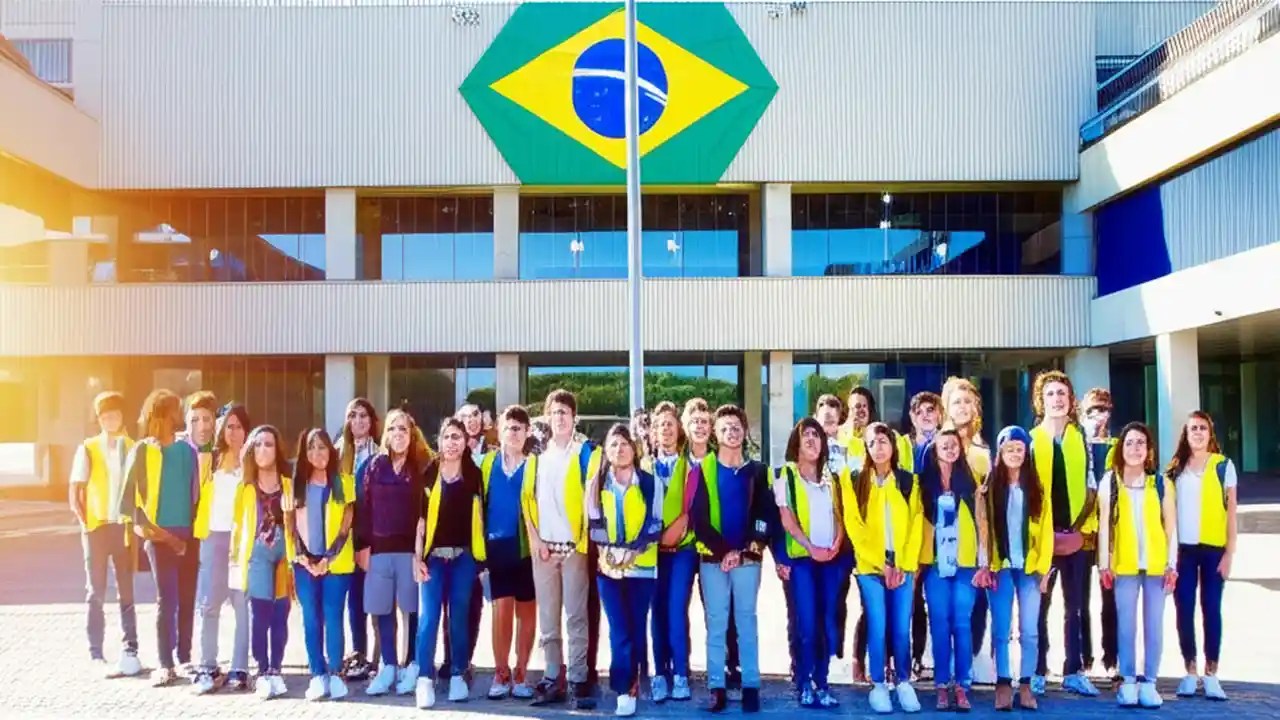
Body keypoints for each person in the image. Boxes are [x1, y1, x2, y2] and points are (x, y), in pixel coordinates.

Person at [522, 389, 602, 710]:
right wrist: (537, 542)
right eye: (554, 412)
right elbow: (527, 504)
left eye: (565, 413)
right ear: (547, 417)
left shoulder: (585, 455)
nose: (559, 418)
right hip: (544, 550)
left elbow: (592, 501)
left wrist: (581, 543)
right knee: (548, 619)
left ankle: (578, 679)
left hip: (573, 549)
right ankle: (552, 676)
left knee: (576, 617)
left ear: (574, 418)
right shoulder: (536, 459)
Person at [690, 405, 771, 713]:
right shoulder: (703, 469)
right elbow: (698, 518)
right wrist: (725, 553)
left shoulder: (758, 471)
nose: (731, 432)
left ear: (744, 430)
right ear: (715, 433)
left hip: (748, 560)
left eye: (736, 427)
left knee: (747, 621)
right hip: (713, 560)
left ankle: (751, 687)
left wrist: (748, 548)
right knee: (716, 623)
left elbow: (765, 514)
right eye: (725, 428)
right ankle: (716, 688)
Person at [120, 389, 201, 687]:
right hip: (157, 538)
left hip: (189, 536)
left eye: (168, 414)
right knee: (167, 599)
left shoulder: (187, 451)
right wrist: (168, 539)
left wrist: (188, 538)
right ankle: (165, 664)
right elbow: (132, 508)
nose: (165, 420)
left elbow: (195, 498)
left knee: (187, 597)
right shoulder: (141, 451)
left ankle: (185, 658)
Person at [842, 422, 923, 714]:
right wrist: (882, 564)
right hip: (870, 568)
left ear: (893, 446)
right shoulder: (854, 481)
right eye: (873, 442)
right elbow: (855, 527)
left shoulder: (908, 481)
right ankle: (878, 683)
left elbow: (916, 527)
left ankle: (903, 681)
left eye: (884, 441)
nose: (879, 447)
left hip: (903, 567)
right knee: (877, 625)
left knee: (901, 627)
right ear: (865, 447)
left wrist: (901, 565)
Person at [1030, 370, 1100, 697]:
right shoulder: (1030, 440)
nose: (1057, 399)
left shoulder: (1081, 439)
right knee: (1038, 607)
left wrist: (1082, 533)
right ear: (1040, 401)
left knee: (1075, 607)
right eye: (1050, 394)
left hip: (1075, 538)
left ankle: (1074, 670)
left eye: (1062, 393)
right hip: (1042, 540)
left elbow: (1091, 488)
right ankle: (1037, 669)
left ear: (1071, 400)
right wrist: (1040, 537)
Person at [1098, 422, 1177, 708]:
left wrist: (1172, 564)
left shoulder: (1161, 483)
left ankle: (1150, 681)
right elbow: (1105, 526)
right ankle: (1128, 679)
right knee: (1126, 625)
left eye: (1140, 443)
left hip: (1156, 566)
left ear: (1149, 449)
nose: (1134, 448)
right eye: (1129, 443)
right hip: (1124, 565)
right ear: (1121, 448)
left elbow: (1171, 528)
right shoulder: (1110, 482)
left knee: (1154, 625)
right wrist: (1104, 564)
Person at [587, 423, 664, 717]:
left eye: (624, 444)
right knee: (618, 629)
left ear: (634, 448)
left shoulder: (649, 482)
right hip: (608, 569)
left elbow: (656, 523)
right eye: (614, 445)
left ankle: (634, 681)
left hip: (642, 568)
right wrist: (609, 550)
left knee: (635, 627)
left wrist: (635, 549)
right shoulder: (597, 482)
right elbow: (593, 523)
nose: (619, 450)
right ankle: (623, 688)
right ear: (607, 450)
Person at [777, 417, 851, 709]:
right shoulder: (786, 475)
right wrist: (811, 548)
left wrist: (835, 545)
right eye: (806, 435)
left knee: (826, 623)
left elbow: (840, 516)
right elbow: (787, 519)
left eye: (816, 435)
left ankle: (823, 682)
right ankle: (804, 682)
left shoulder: (831, 478)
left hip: (830, 561)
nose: (812, 440)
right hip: (803, 561)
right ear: (796, 443)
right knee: (806, 623)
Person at [358, 409, 432, 697]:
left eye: (403, 429)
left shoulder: (422, 467)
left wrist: (421, 551)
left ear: (411, 434)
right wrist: (362, 546)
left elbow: (426, 512)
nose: (398, 434)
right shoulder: (373, 466)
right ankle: (388, 666)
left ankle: (412, 664)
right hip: (379, 550)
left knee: (411, 610)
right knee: (381, 610)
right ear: (385, 434)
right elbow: (363, 508)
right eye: (392, 429)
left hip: (410, 552)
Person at [414, 418, 486, 708]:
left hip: (463, 559)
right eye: (447, 437)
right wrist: (417, 557)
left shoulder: (474, 475)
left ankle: (458, 673)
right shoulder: (429, 473)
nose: (452, 442)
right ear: (439, 441)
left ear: (466, 442)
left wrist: (481, 560)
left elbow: (481, 518)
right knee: (429, 618)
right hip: (433, 559)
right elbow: (419, 522)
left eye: (458, 437)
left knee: (459, 617)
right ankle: (424, 678)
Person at [979, 426, 1052, 711]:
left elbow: (1045, 533)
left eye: (1020, 449)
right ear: (1000, 452)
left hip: (1030, 567)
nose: (1014, 454)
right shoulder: (990, 487)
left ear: (1026, 452)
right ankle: (1003, 683)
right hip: (1001, 566)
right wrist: (987, 565)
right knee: (1001, 629)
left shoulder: (1037, 487)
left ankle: (1026, 684)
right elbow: (984, 530)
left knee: (1030, 630)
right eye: (1009, 449)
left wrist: (1044, 569)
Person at [70, 391, 141, 678]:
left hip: (123, 527)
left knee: (127, 590)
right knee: (95, 591)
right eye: (105, 415)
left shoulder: (133, 447)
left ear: (122, 417)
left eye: (115, 414)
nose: (111, 419)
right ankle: (95, 651)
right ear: (98, 419)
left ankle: (131, 646)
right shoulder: (88, 448)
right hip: (96, 528)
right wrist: (85, 523)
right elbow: (76, 489)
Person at [1168, 411, 1236, 701]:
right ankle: (1190, 669)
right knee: (1183, 607)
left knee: (1211, 608)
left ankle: (1211, 673)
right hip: (1183, 550)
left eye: (1202, 428)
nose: (1197, 432)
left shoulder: (1223, 466)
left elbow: (1231, 512)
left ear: (1210, 433)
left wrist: (1229, 553)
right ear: (1185, 433)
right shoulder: (1175, 470)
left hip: (1213, 549)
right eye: (1192, 428)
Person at [285, 428, 355, 701]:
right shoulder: (294, 485)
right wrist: (303, 556)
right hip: (304, 563)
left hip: (335, 564)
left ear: (331, 450)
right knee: (311, 618)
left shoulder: (344, 483)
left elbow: (346, 526)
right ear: (304, 453)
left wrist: (328, 559)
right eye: (311, 448)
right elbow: (289, 523)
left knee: (333, 616)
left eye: (322, 447)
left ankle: (336, 673)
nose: (317, 453)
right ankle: (318, 674)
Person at [917, 429, 981, 711]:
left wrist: (985, 561)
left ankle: (962, 686)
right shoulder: (923, 485)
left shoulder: (972, 482)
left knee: (962, 624)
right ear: (934, 450)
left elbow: (983, 524)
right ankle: (942, 685)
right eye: (944, 445)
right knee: (939, 624)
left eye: (954, 445)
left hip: (965, 563)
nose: (950, 449)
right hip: (934, 565)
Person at [480, 406, 539, 700]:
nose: (513, 433)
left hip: (526, 548)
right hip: (496, 547)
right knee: (501, 611)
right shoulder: (487, 464)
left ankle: (521, 673)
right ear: (499, 431)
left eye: (518, 428)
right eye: (508, 427)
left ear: (527, 432)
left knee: (527, 611)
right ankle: (500, 671)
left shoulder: (534, 466)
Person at [193, 403, 253, 693]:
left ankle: (240, 667)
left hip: (242, 538)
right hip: (213, 537)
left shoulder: (252, 461)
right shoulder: (209, 459)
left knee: (242, 604)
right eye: (228, 425)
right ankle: (207, 666)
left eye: (238, 426)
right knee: (209, 603)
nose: (233, 431)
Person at [233, 425, 294, 700]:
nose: (262, 450)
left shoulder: (289, 483)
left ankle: (276, 669)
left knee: (281, 613)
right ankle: (262, 669)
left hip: (284, 555)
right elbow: (238, 525)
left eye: (268, 444)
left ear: (277, 449)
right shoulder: (244, 487)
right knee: (260, 614)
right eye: (257, 445)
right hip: (257, 553)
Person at [645, 401, 698, 703]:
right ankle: (660, 673)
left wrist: (672, 536)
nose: (665, 428)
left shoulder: (690, 467)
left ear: (679, 430)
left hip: (682, 549)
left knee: (676, 608)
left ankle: (680, 672)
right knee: (657, 610)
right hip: (651, 550)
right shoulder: (644, 466)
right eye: (659, 424)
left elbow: (690, 510)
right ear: (652, 432)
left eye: (670, 423)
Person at [337, 398, 382, 681]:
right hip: (344, 537)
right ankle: (358, 653)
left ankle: (378, 658)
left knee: (375, 600)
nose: (358, 421)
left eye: (363, 415)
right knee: (353, 599)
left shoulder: (381, 453)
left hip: (375, 536)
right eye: (352, 415)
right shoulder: (337, 453)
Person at [1081, 388, 1119, 683]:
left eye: (1103, 409)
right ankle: (1083, 658)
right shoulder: (1076, 443)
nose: (1098, 415)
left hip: (1111, 534)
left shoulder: (1119, 446)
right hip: (1081, 532)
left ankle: (1112, 658)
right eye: (1092, 409)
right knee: (1079, 600)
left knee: (1111, 598)